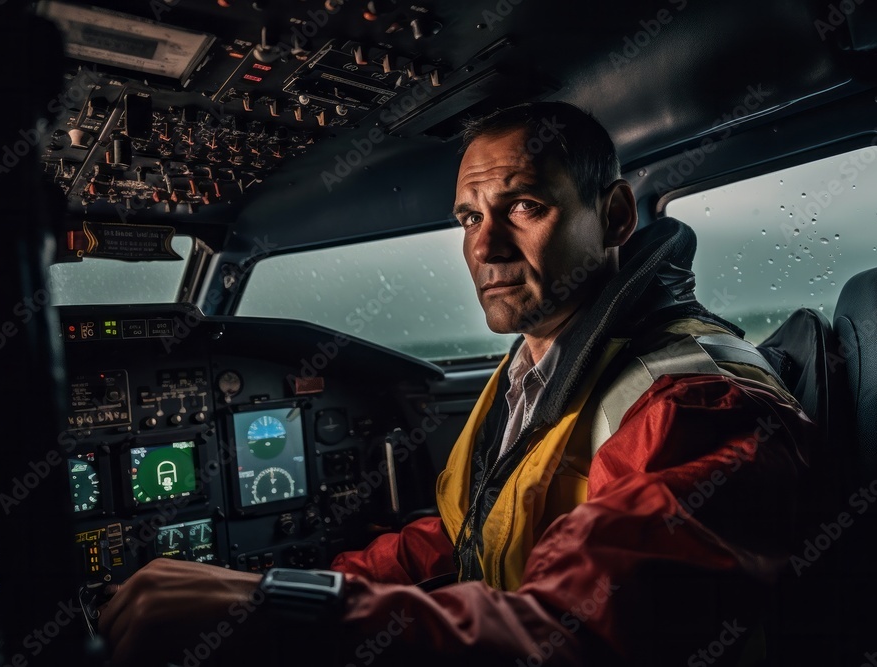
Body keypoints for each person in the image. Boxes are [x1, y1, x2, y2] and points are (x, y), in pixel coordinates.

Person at [98, 102, 812, 666]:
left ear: (617, 215)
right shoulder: (547, 363)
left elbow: (581, 637)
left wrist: (280, 607)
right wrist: (295, 575)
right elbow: (470, 533)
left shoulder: (697, 402)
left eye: (524, 206)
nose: (484, 246)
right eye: (470, 216)